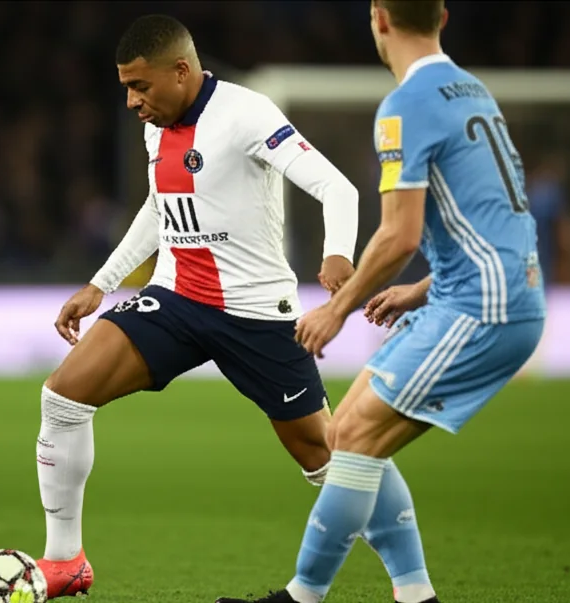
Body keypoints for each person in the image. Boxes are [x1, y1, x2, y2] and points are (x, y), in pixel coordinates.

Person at [214, 2, 546, 603]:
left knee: (358, 437)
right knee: (347, 433)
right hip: (489, 293)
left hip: (480, 309)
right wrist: (421, 288)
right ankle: (414, 594)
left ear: (379, 19)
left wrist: (336, 310)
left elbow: (399, 234)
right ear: (443, 16)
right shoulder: (473, 92)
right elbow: (498, 218)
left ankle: (302, 596)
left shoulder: (405, 106)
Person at [34, 14, 361, 599]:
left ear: (181, 71)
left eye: (141, 87)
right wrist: (101, 284)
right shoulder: (157, 124)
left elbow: (338, 189)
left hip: (255, 314)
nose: (133, 102)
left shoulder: (246, 114)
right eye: (125, 89)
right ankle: (66, 561)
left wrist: (338, 254)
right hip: (175, 300)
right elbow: (160, 207)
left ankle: (408, 578)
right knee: (63, 394)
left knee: (326, 458)